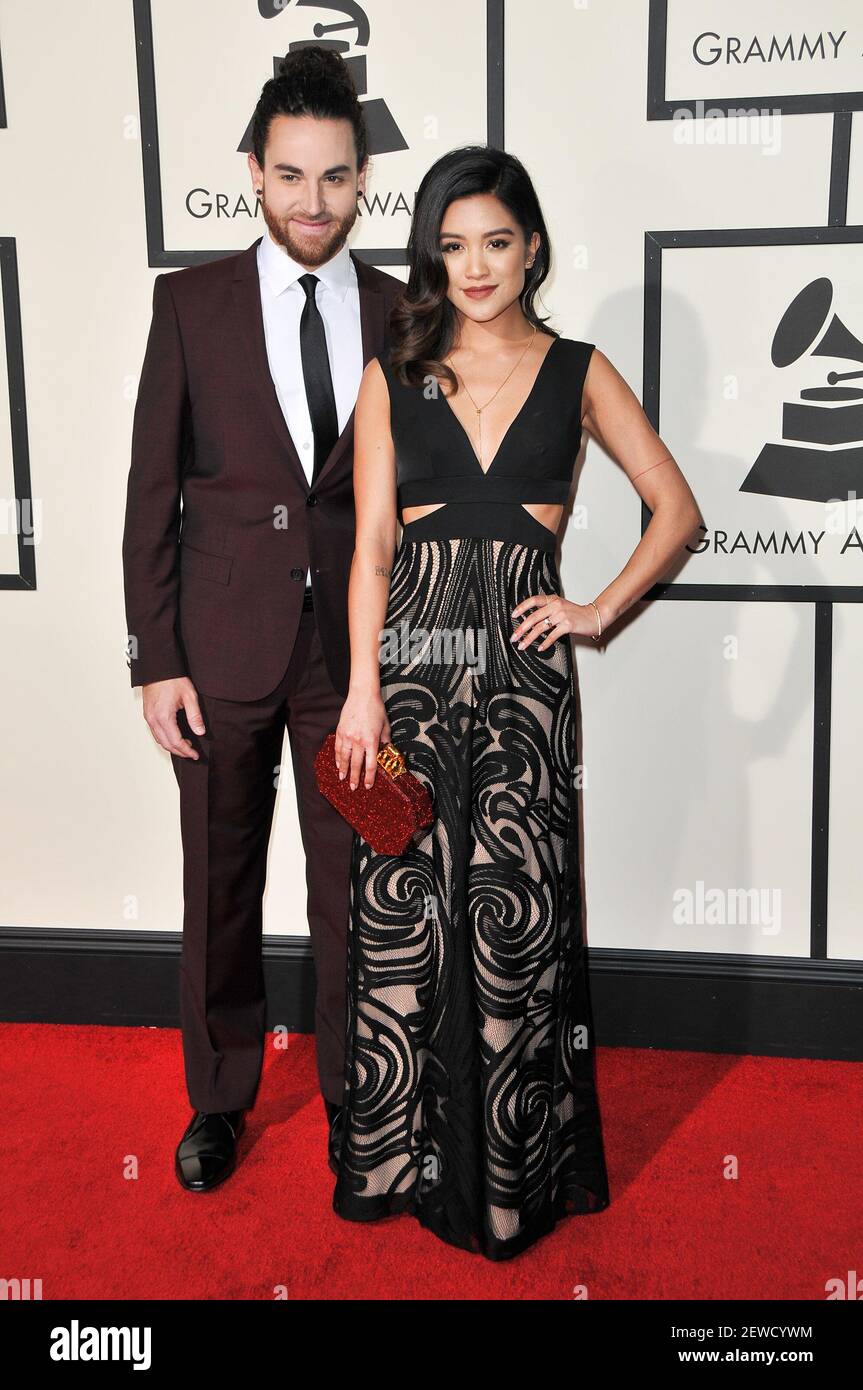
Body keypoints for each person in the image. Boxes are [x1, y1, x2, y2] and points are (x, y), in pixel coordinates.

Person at [330, 145, 702, 1259]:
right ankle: (396, 1158)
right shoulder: (391, 371)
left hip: (523, 687)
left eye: (495, 241)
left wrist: (592, 609)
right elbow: (372, 546)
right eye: (450, 246)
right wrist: (360, 694)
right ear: (429, 257)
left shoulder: (578, 368)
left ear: (531, 244)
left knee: (508, 930)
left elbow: (674, 510)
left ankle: (505, 1181)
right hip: (407, 668)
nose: (474, 266)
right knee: (402, 921)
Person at [121, 47, 403, 1191]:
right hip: (220, 650)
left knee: (359, 890)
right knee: (216, 886)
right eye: (291, 176)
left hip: (352, 660)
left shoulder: (401, 308)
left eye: (335, 178)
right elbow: (152, 487)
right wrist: (156, 657)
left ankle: (353, 1097)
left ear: (362, 179)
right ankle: (219, 1099)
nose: (312, 203)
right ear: (252, 171)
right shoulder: (186, 302)